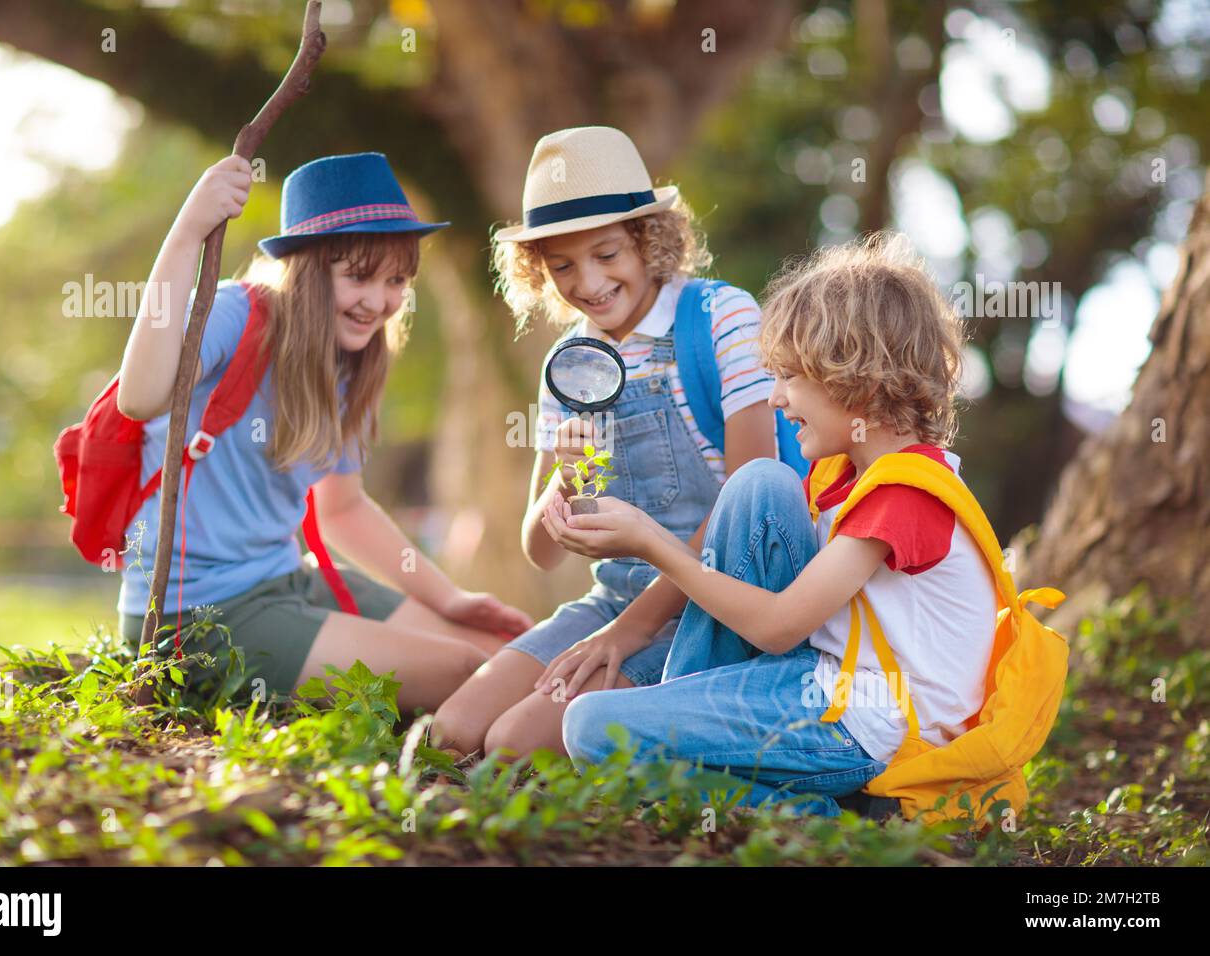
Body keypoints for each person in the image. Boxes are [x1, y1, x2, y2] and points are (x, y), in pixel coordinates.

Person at [550, 233, 998, 817]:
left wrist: (651, 543)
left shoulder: (906, 492)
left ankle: (828, 821)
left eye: (789, 377)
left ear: (854, 380)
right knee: (760, 482)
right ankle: (692, 730)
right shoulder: (849, 475)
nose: (776, 399)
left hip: (868, 725)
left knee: (591, 728)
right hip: (820, 685)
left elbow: (780, 627)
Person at [116, 152, 532, 711]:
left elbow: (343, 509)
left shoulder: (349, 361)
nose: (379, 302)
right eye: (358, 276)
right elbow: (138, 397)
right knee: (462, 672)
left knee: (497, 652)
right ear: (308, 269)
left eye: (396, 280)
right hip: (198, 617)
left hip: (291, 580)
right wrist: (189, 231)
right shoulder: (233, 316)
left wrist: (450, 599)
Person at [432, 126, 780, 759]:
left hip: (707, 604)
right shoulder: (568, 362)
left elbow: (749, 504)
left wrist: (632, 630)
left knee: (512, 744)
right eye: (562, 265)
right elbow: (538, 550)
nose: (588, 282)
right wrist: (564, 483)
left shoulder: (721, 318)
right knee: (451, 733)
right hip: (611, 597)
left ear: (649, 240)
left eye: (607, 254)